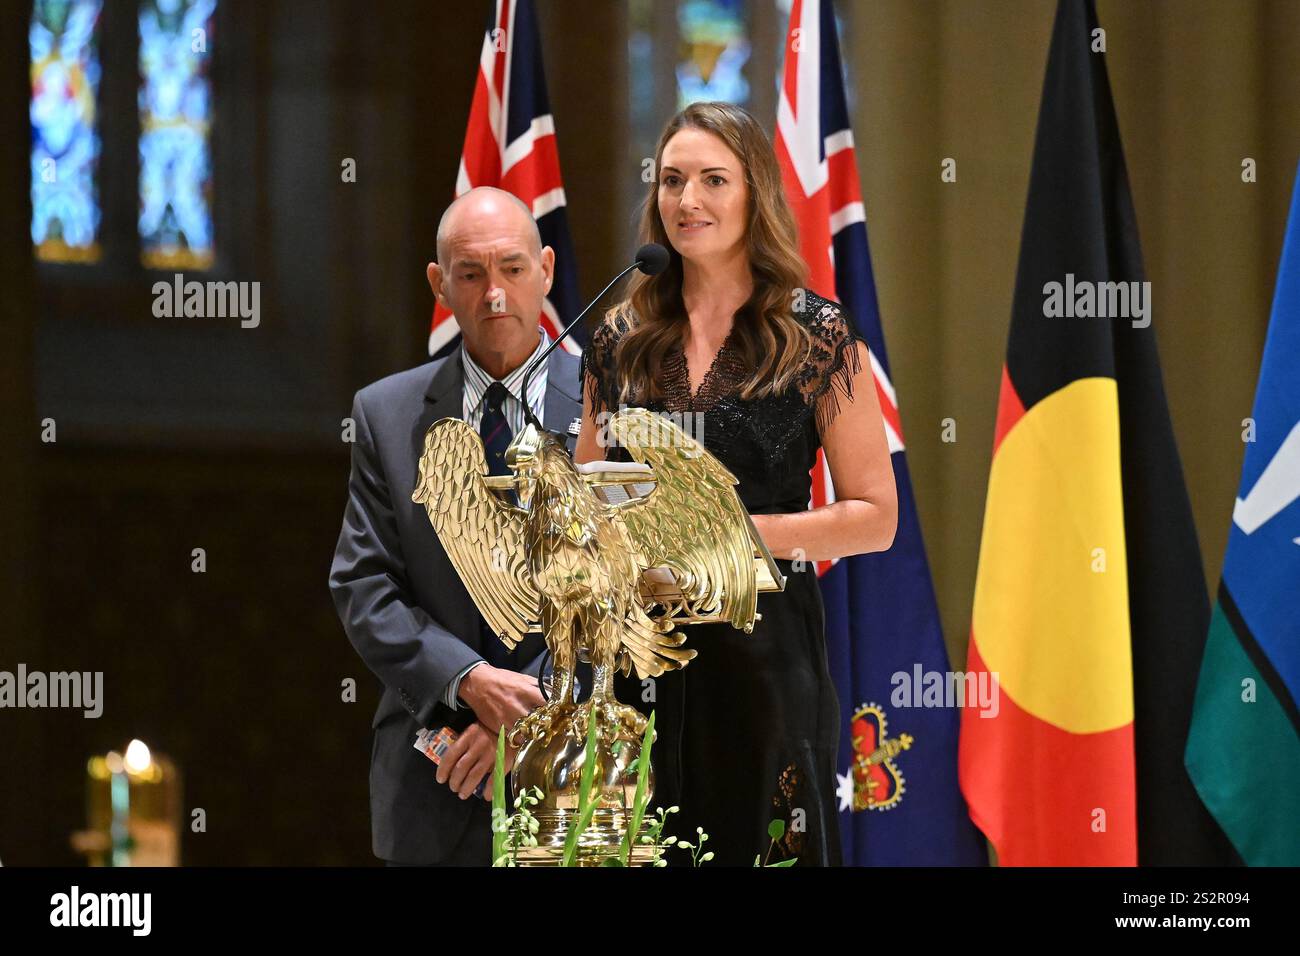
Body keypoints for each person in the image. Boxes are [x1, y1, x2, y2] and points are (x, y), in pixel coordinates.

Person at [575, 103, 898, 866]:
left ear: (755, 194)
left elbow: (874, 517)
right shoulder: (619, 339)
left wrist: (730, 537)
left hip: (765, 658)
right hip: (639, 661)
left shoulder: (814, 336)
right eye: (672, 181)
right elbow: (590, 492)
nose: (688, 202)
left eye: (714, 181)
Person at [330, 186, 583, 865]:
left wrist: (530, 709)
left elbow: (635, 593)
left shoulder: (615, 404)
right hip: (433, 780)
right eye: (471, 275)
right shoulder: (387, 414)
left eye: (512, 268)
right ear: (440, 285)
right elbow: (364, 587)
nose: (494, 293)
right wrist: (469, 681)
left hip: (577, 772)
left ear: (547, 271)